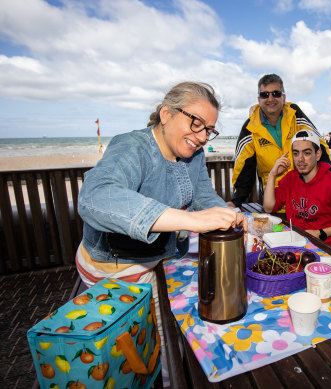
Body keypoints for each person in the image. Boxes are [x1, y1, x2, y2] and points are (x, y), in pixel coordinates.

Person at [76, 82, 247, 385]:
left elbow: (203, 196)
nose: (203, 137)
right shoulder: (132, 147)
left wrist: (228, 214)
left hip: (160, 260)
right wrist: (190, 220)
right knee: (155, 347)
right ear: (166, 113)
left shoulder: (193, 157)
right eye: (196, 123)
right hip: (114, 269)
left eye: (209, 129)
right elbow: (95, 197)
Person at [229, 74, 331, 208]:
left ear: (283, 98)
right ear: (259, 100)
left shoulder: (296, 115)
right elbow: (244, 167)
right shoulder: (251, 127)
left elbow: (320, 149)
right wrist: (236, 201)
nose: (270, 98)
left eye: (276, 93)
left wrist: (328, 186)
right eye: (265, 95)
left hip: (305, 200)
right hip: (273, 202)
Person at [263, 130, 331, 247]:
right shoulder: (290, 178)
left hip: (325, 246)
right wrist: (272, 175)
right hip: (295, 242)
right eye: (296, 153)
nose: (300, 159)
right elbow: (268, 207)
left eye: (307, 153)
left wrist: (320, 233)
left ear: (318, 154)